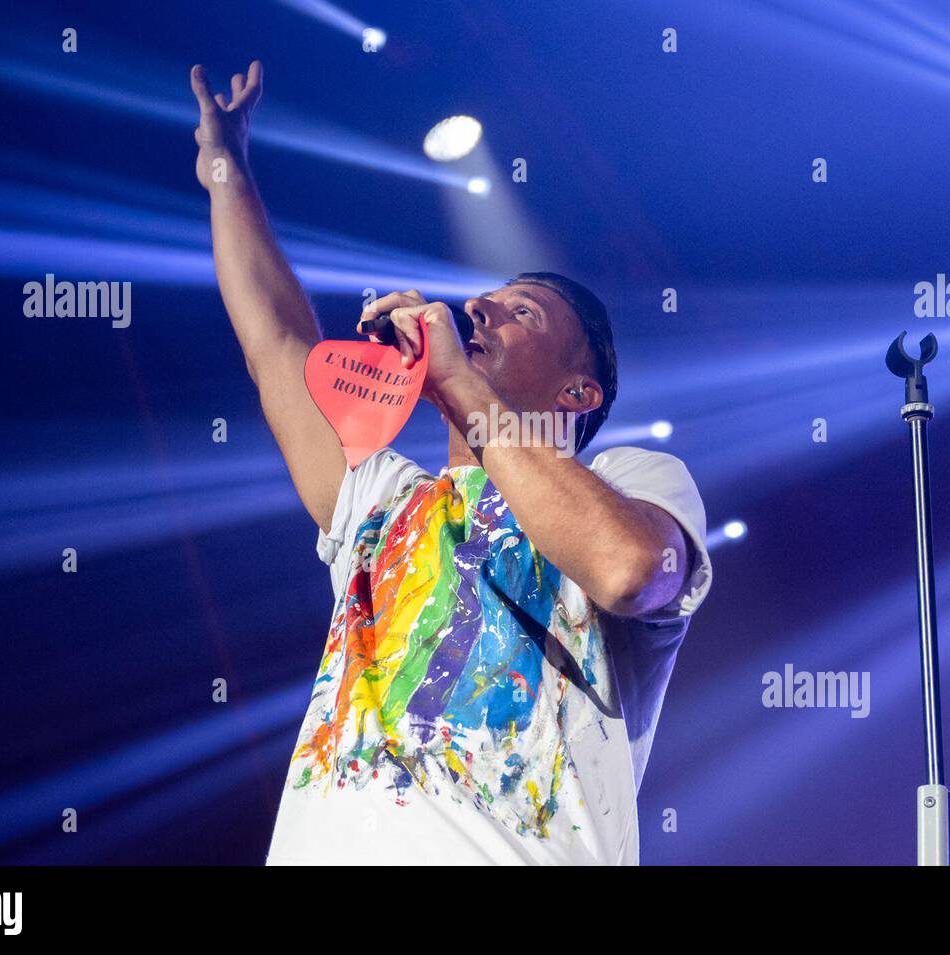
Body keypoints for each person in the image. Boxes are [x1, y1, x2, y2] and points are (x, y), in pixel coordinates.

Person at [190, 60, 713, 865]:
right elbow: (276, 343)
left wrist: (458, 383)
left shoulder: (634, 482)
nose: (479, 307)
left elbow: (628, 568)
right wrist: (228, 176)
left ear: (579, 391)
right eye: (486, 298)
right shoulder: (382, 498)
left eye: (522, 310)